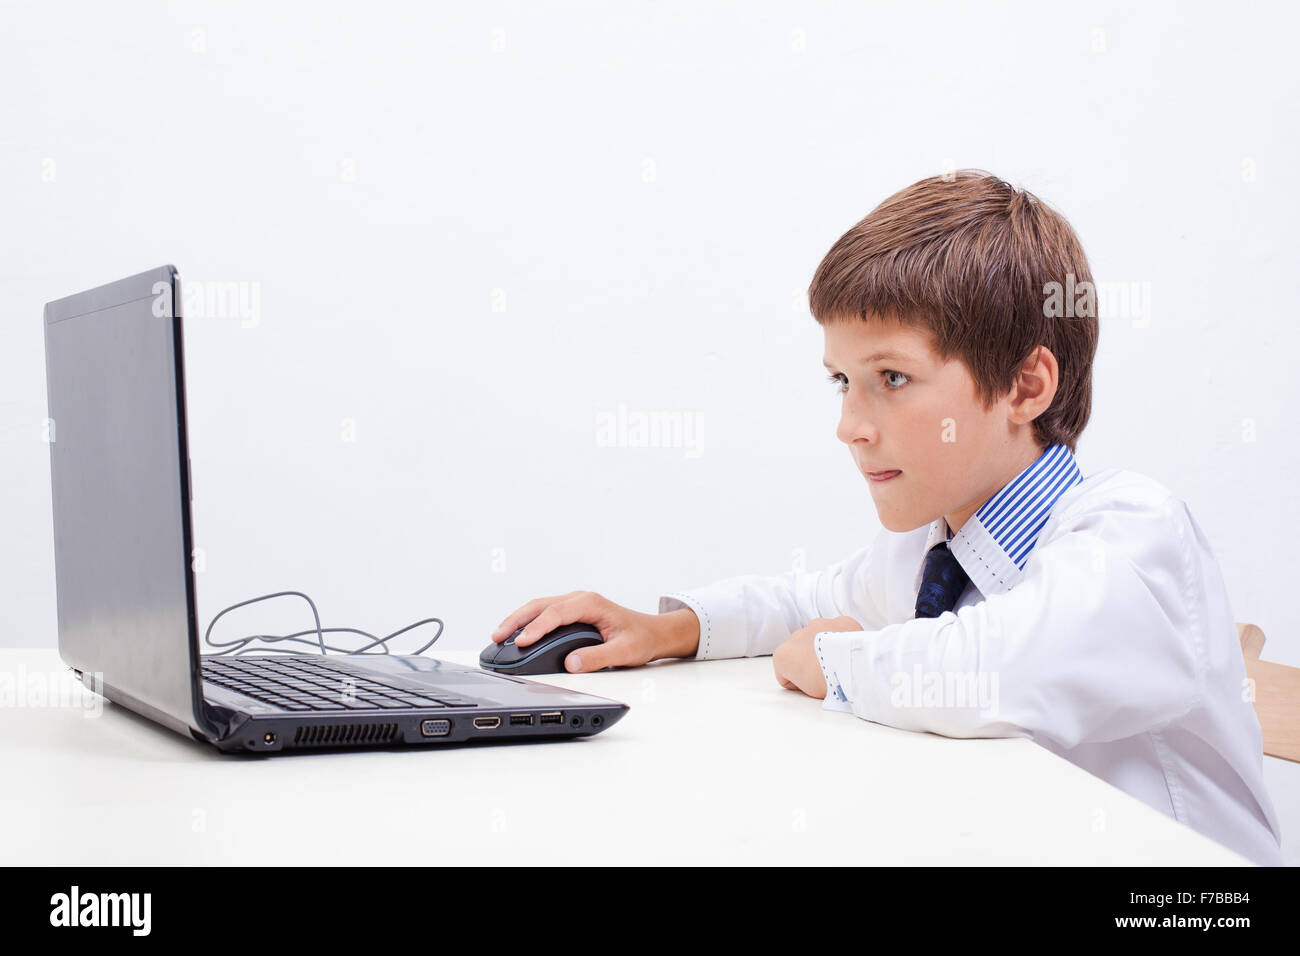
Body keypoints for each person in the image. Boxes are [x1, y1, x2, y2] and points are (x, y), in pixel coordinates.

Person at [488, 170, 1284, 867]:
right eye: (842, 381)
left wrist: (836, 659)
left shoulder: (1135, 537)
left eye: (893, 378)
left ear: (1026, 386)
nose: (851, 425)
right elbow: (804, 600)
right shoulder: (929, 550)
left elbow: (993, 671)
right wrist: (674, 628)